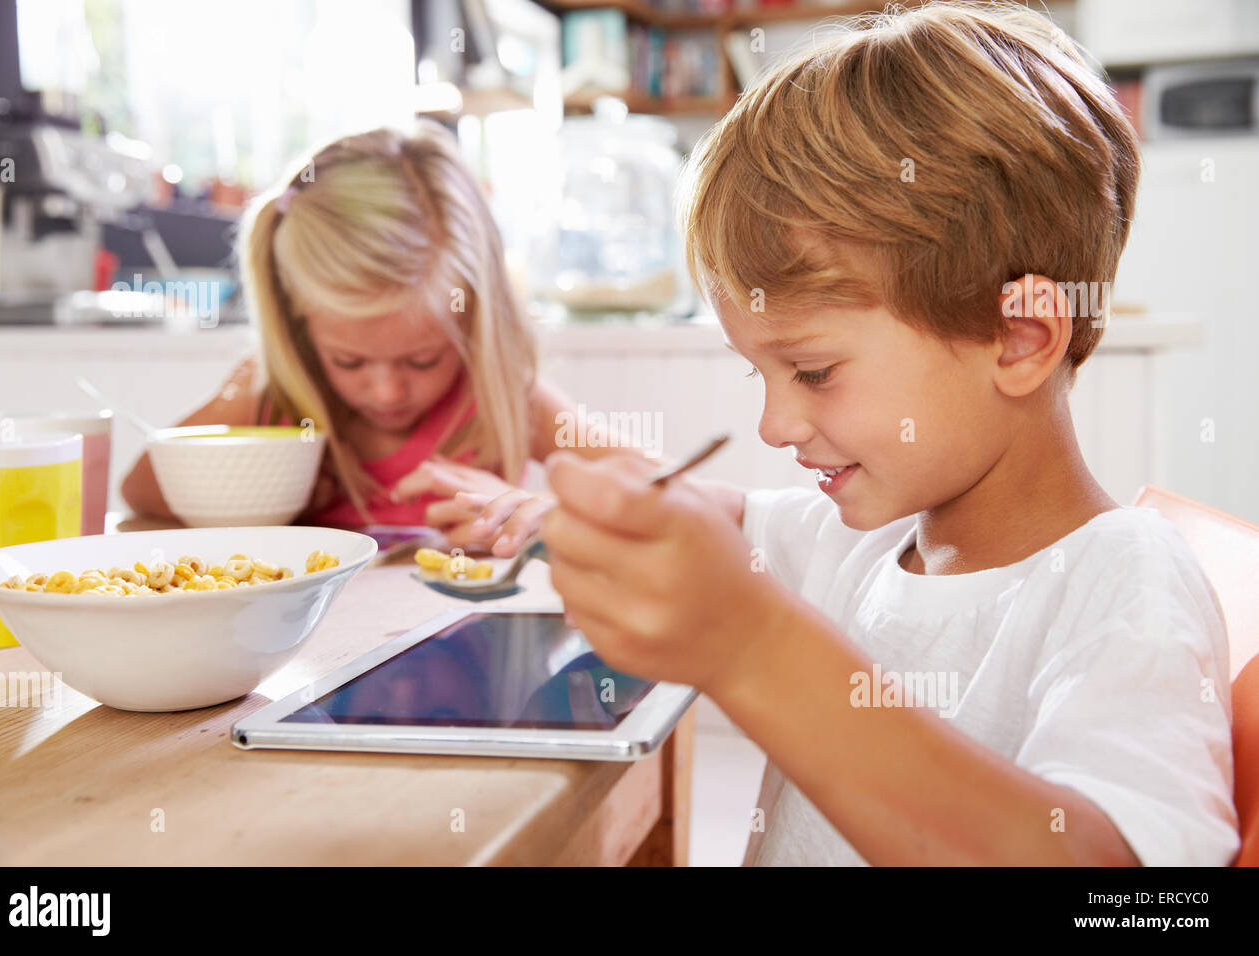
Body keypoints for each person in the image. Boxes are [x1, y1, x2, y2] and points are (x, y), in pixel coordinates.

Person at [532, 2, 1240, 865]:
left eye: (814, 372)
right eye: (759, 373)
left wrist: (755, 648)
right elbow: (691, 516)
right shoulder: (867, 544)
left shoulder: (1122, 584)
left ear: (1017, 339)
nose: (776, 423)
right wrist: (538, 439)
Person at [121, 123, 628, 550]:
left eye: (423, 360)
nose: (386, 391)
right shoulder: (267, 396)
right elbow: (142, 488)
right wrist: (255, 494)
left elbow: (668, 494)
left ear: (475, 318)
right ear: (297, 326)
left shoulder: (504, 397)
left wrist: (546, 517)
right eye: (349, 361)